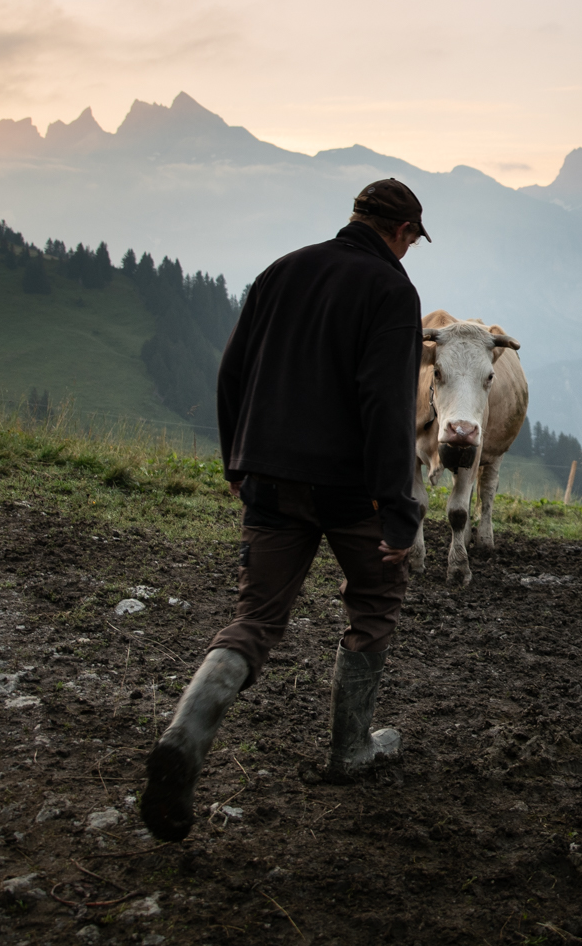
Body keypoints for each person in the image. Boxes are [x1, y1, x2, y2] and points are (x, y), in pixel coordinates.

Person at [140, 178, 430, 842]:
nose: (410, 249)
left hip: (268, 477)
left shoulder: (280, 272)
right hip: (353, 489)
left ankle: (185, 736)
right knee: (374, 602)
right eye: (412, 239)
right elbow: (386, 403)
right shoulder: (391, 291)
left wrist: (236, 461)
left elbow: (231, 372)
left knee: (256, 619)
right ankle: (349, 748)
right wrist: (399, 507)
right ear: (400, 232)